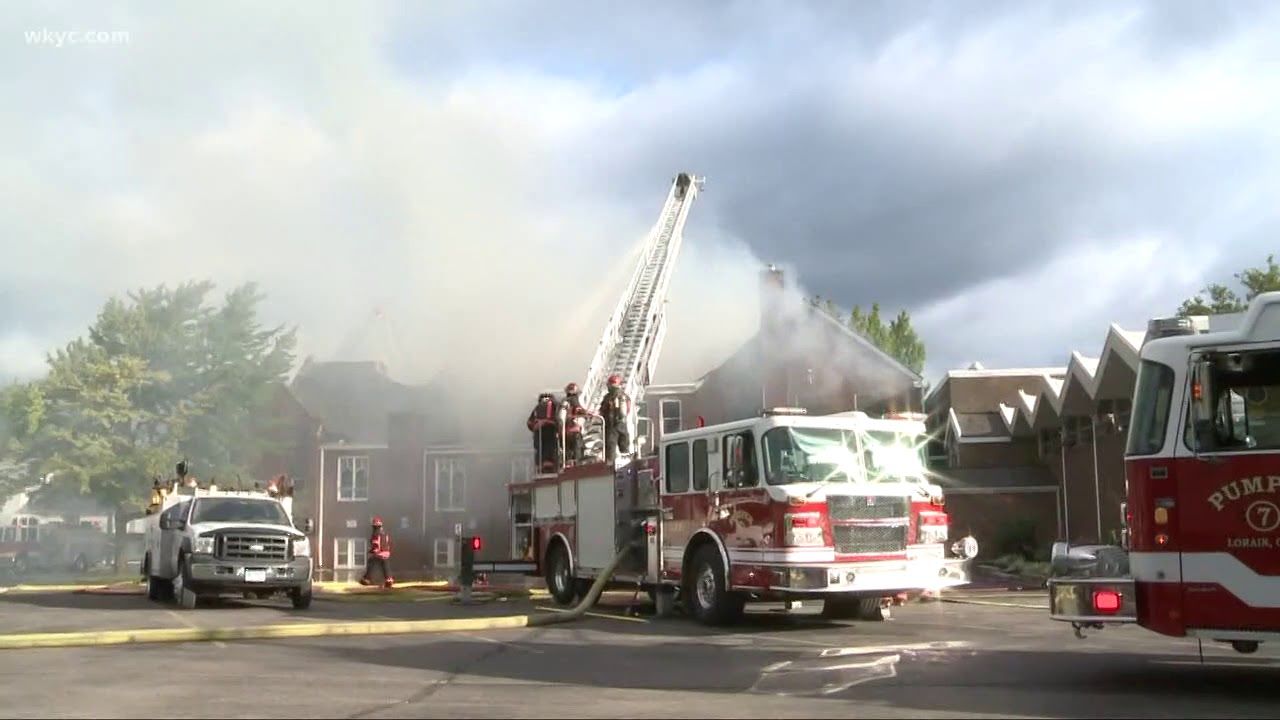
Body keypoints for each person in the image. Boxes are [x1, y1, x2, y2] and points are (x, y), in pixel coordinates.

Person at [599, 374, 632, 463]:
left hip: (611, 426)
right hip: (622, 425)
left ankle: (610, 465)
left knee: (611, 448)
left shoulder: (608, 397)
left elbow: (602, 410)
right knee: (624, 447)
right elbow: (627, 410)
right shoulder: (625, 396)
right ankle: (627, 463)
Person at [560, 382, 594, 465]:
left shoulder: (563, 402)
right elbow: (579, 409)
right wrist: (588, 414)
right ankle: (578, 462)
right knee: (578, 446)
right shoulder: (573, 399)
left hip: (563, 431)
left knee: (567, 449)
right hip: (573, 429)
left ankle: (568, 462)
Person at [527, 392, 559, 472]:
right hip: (550, 428)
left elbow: (529, 422)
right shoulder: (556, 404)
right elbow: (561, 416)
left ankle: (540, 465)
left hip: (539, 431)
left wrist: (535, 427)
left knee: (539, 448)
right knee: (550, 445)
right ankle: (549, 464)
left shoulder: (537, 407)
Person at [361, 517, 394, 588]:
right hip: (386, 553)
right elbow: (388, 543)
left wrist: (372, 551)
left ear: (374, 526)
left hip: (379, 553)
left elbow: (376, 544)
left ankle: (366, 579)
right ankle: (389, 580)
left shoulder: (375, 533)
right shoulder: (385, 534)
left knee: (371, 562)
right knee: (385, 566)